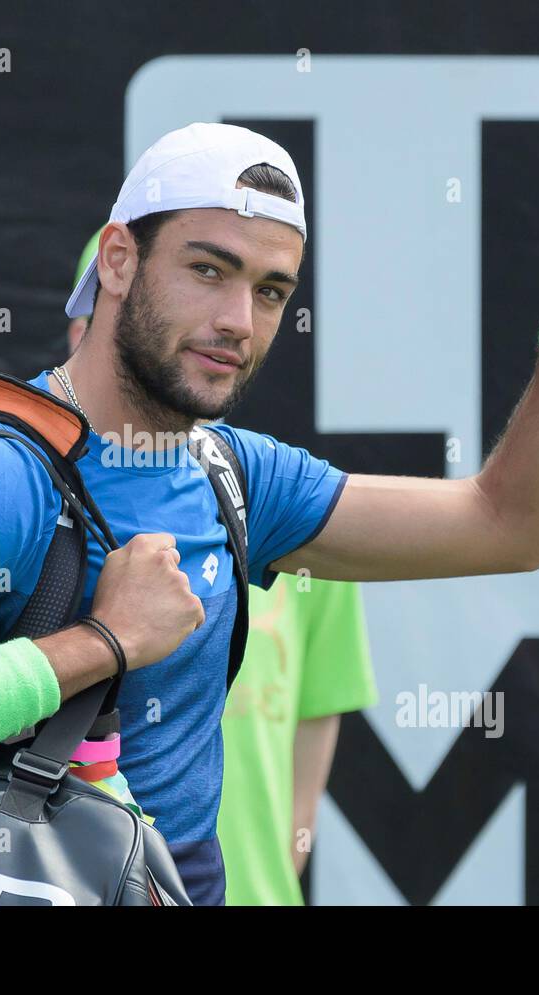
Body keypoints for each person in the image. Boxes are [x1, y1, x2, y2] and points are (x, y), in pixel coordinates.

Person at [0, 61, 539, 905]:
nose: (238, 320)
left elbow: (516, 523)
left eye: (271, 291)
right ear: (117, 261)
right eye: (208, 269)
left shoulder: (236, 475)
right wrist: (102, 642)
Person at [66, 231, 379, 906]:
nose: (235, 315)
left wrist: (282, 868)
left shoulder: (274, 511)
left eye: (266, 291)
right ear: (79, 325)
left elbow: (319, 708)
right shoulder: (28, 498)